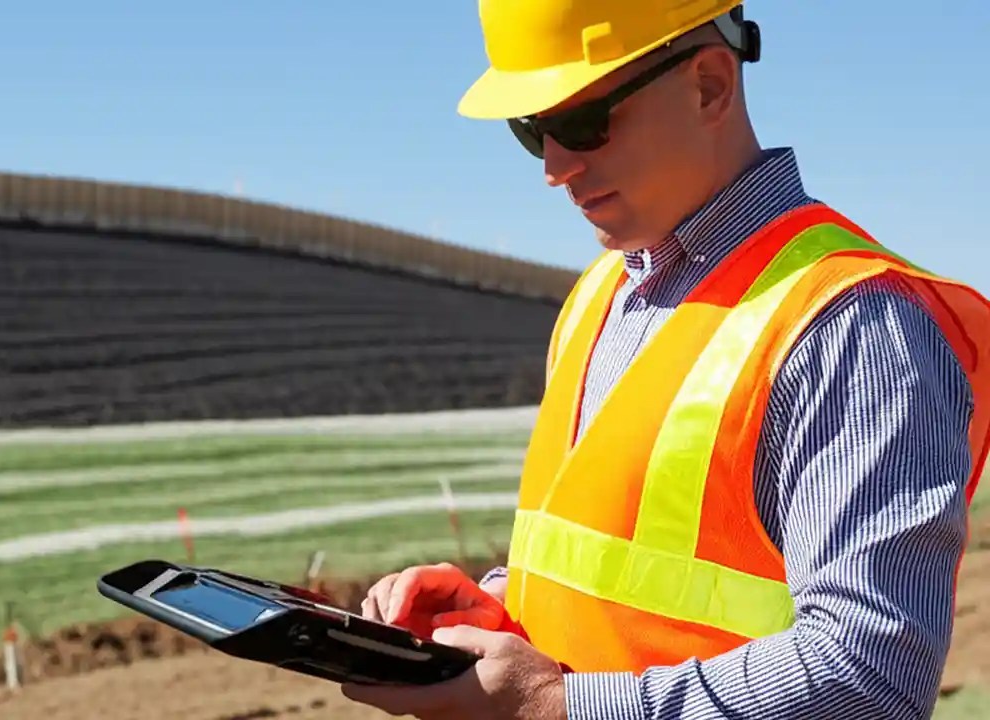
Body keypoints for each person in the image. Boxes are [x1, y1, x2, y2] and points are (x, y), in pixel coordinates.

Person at [339, 3, 990, 719]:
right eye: (532, 131)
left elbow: (871, 679)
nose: (556, 166)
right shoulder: (600, 296)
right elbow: (622, 582)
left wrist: (557, 707)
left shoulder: (852, 327)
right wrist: (495, 607)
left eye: (583, 121)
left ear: (710, 84)